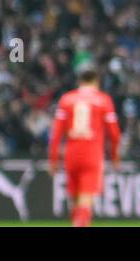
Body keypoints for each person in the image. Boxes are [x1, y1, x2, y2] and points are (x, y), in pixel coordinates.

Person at [49, 61, 122, 227]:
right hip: (91, 155)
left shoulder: (67, 99)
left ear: (79, 80)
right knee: (86, 202)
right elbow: (115, 134)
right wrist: (115, 157)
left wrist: (53, 160)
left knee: (75, 203)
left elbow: (55, 135)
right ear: (96, 80)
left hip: (71, 155)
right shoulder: (103, 100)